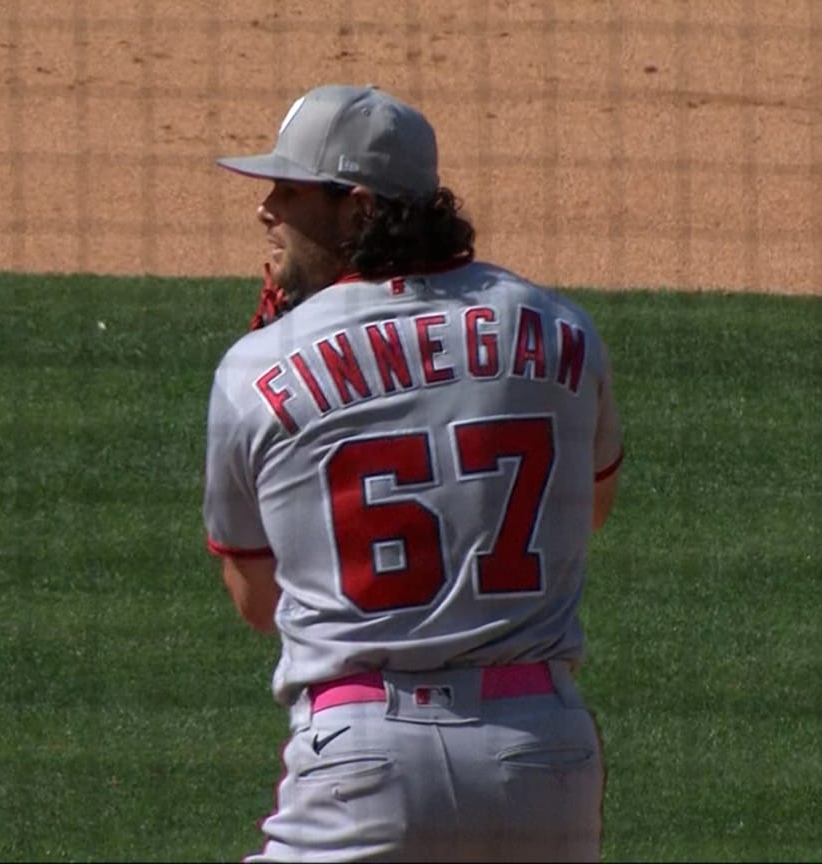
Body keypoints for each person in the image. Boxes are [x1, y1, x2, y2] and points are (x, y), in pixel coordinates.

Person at [202, 83, 624, 863]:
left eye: (289, 191)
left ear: (359, 211)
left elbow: (258, 601)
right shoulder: (562, 329)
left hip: (364, 766)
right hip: (540, 760)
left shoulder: (257, 368)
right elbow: (588, 507)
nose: (266, 210)